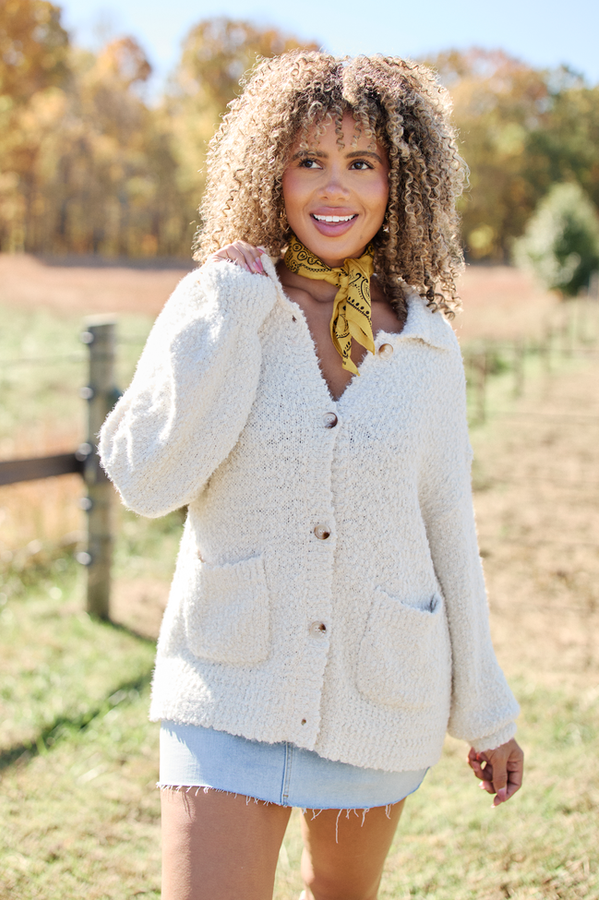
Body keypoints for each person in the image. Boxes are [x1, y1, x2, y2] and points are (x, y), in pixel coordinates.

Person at [99, 52, 524, 900]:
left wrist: (487, 711)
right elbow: (145, 481)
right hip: (228, 684)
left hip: (378, 693)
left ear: (400, 182)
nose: (336, 188)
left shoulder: (427, 344)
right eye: (309, 160)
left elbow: (447, 524)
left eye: (362, 162)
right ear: (273, 172)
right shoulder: (224, 302)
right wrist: (228, 311)